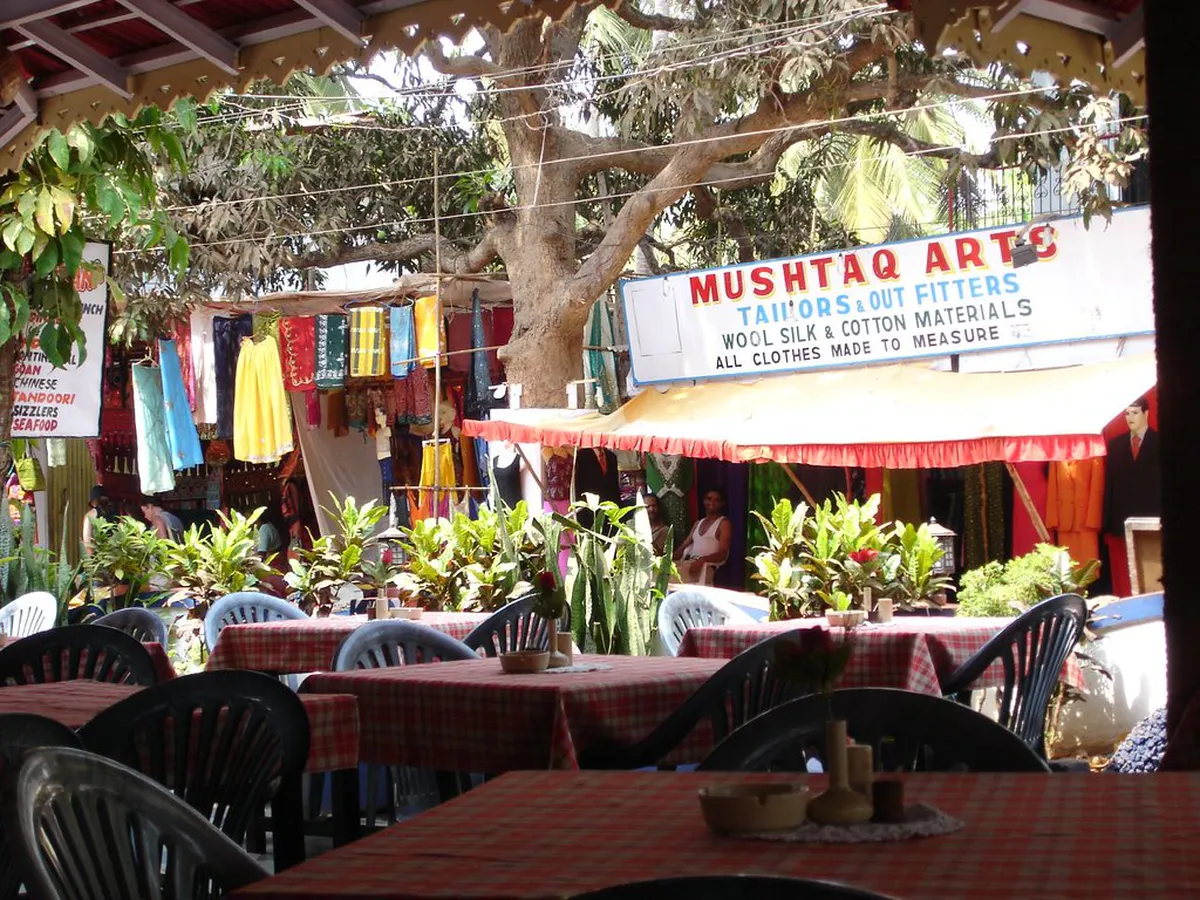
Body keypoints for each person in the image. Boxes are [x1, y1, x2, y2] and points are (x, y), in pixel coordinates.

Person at [1102, 396, 1162, 596]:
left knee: (1152, 571)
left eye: (1135, 412)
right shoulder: (1115, 445)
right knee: (1123, 575)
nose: (1130, 417)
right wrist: (1106, 521)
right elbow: (1110, 484)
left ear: (1146, 413)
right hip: (1121, 517)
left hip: (1152, 518)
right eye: (1127, 413)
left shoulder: (1161, 443)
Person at [674, 488, 732, 583]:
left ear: (722, 503)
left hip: (707, 567)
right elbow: (683, 546)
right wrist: (667, 559)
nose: (711, 502)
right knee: (663, 573)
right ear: (704, 501)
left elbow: (723, 554)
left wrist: (702, 561)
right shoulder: (698, 523)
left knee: (672, 578)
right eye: (709, 499)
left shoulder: (723, 523)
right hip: (690, 564)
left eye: (716, 500)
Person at [82, 485, 116, 555]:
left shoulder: (90, 515)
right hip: (114, 555)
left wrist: (93, 559)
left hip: (99, 555)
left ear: (93, 501)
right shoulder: (114, 513)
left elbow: (87, 542)